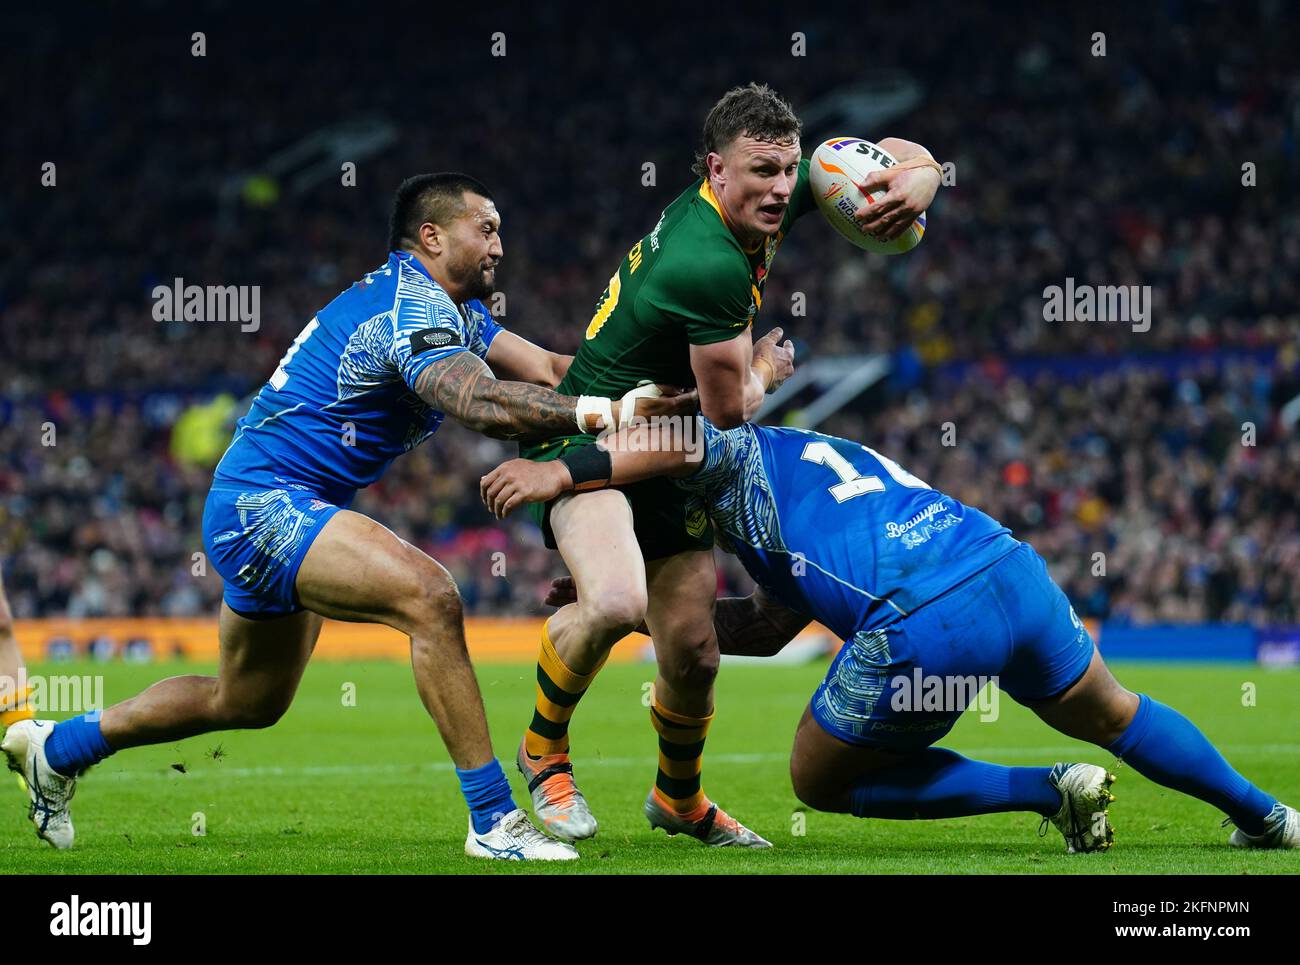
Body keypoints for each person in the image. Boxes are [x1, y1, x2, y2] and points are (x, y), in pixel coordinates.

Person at [2, 172, 688, 860]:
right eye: (486, 228)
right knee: (431, 597)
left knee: (246, 700)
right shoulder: (409, 309)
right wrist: (609, 413)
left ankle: (59, 749)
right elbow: (478, 402)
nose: (499, 246)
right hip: (265, 502)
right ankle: (494, 820)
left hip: (267, 504)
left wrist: (659, 389)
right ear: (431, 235)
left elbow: (546, 368)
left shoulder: (453, 310)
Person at [481, 416, 1298, 851]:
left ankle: (1046, 790)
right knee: (1115, 709)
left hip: (922, 615)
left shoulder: (723, 456)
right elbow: (767, 629)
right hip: (1003, 564)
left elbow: (679, 438)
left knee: (817, 779)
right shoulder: (811, 462)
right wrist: (650, 612)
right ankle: (1268, 817)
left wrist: (561, 471)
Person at [511, 82, 940, 847]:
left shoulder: (775, 195)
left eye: (787, 170)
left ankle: (678, 800)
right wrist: (770, 368)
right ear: (716, 169)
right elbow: (730, 411)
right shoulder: (706, 261)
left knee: (695, 652)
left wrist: (922, 183)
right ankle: (544, 750)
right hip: (597, 438)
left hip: (672, 451)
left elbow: (898, 159)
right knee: (611, 604)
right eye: (760, 172)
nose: (781, 189)